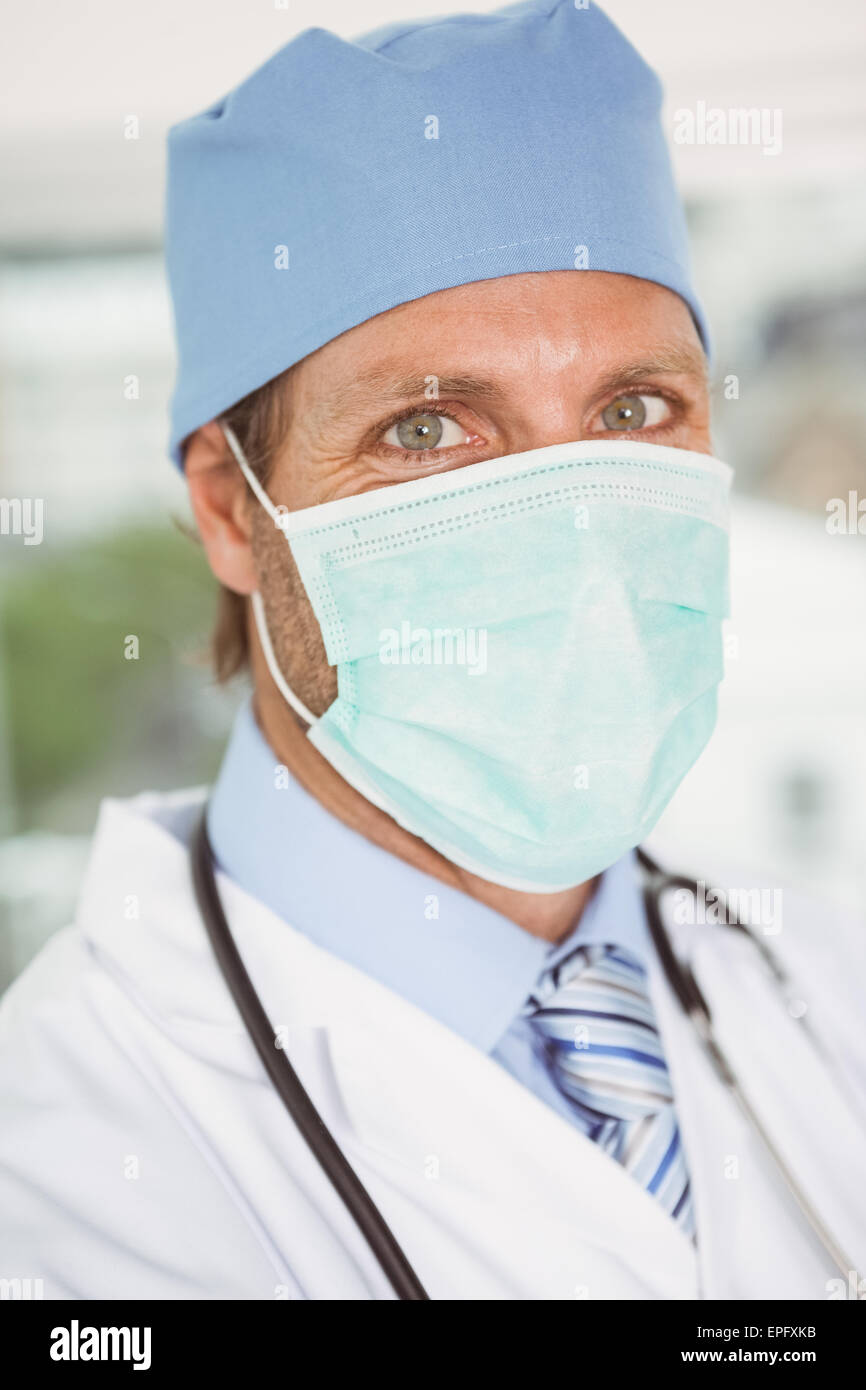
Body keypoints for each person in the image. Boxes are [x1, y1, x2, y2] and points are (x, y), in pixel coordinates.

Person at [1, 0, 864, 1302]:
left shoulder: (823, 976)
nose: (575, 523)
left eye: (633, 409)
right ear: (234, 512)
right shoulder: (56, 1163)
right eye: (426, 428)